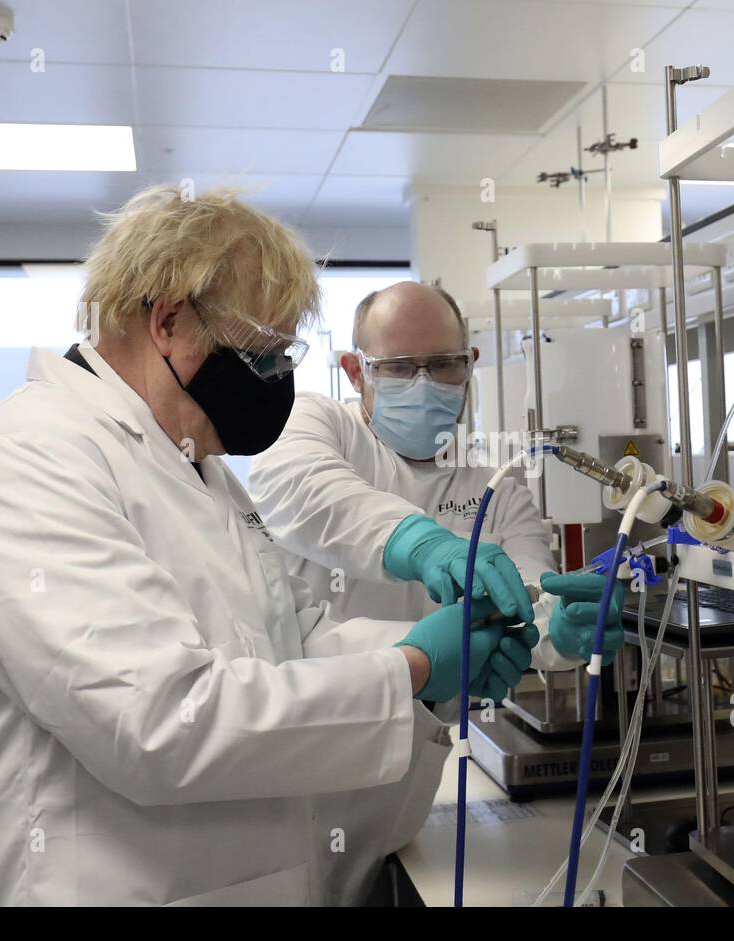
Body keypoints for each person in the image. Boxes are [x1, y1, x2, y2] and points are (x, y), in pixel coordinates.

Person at [0, 186, 538, 906]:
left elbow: (292, 643)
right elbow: (162, 722)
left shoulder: (199, 471)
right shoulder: (21, 462)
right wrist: (413, 667)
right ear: (169, 320)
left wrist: (431, 666)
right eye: (262, 355)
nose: (276, 384)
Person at [247, 280, 624, 903]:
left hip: (405, 785)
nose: (424, 383)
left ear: (469, 366)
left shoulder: (496, 488)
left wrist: (561, 627)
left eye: (443, 364)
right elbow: (303, 489)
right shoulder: (320, 423)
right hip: (300, 766)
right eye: (398, 367)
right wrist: (423, 545)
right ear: (354, 371)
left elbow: (530, 598)